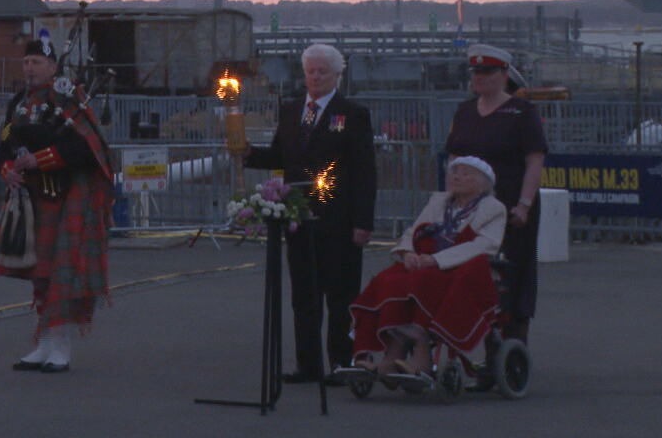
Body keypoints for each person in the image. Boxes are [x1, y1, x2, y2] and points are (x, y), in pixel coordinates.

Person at [235, 42, 377, 384]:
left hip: (339, 218)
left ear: (337, 75)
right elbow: (282, 156)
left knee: (340, 296)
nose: (315, 77)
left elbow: (364, 171)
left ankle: (341, 363)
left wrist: (363, 221)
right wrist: (248, 153)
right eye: (310, 71)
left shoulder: (353, 114)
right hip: (299, 217)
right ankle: (308, 365)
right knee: (304, 295)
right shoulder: (291, 110)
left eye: (322, 71)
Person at [0, 40, 112, 374]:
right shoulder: (19, 103)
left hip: (67, 196)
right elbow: (5, 146)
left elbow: (85, 148)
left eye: (37, 61)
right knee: (40, 274)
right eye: (26, 61)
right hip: (32, 199)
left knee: (62, 271)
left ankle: (61, 345)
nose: (30, 67)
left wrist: (38, 160)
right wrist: (8, 171)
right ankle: (44, 342)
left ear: (53, 66)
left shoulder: (69, 100)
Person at [349, 156, 506, 375]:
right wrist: (408, 253)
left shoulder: (493, 208)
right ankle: (393, 354)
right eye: (454, 172)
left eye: (466, 173)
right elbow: (414, 231)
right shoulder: (439, 201)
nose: (457, 176)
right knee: (386, 280)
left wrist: (435, 260)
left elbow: (483, 246)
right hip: (425, 262)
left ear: (483, 184)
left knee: (422, 280)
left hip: (459, 268)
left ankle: (421, 351)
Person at [443, 43, 548, 341]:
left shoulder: (521, 112)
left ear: (504, 75)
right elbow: (454, 158)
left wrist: (524, 205)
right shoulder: (465, 112)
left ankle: (513, 343)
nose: (479, 78)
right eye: (476, 72)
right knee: (472, 272)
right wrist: (450, 197)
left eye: (487, 72)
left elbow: (534, 159)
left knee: (512, 274)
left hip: (509, 207)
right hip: (470, 208)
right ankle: (480, 340)